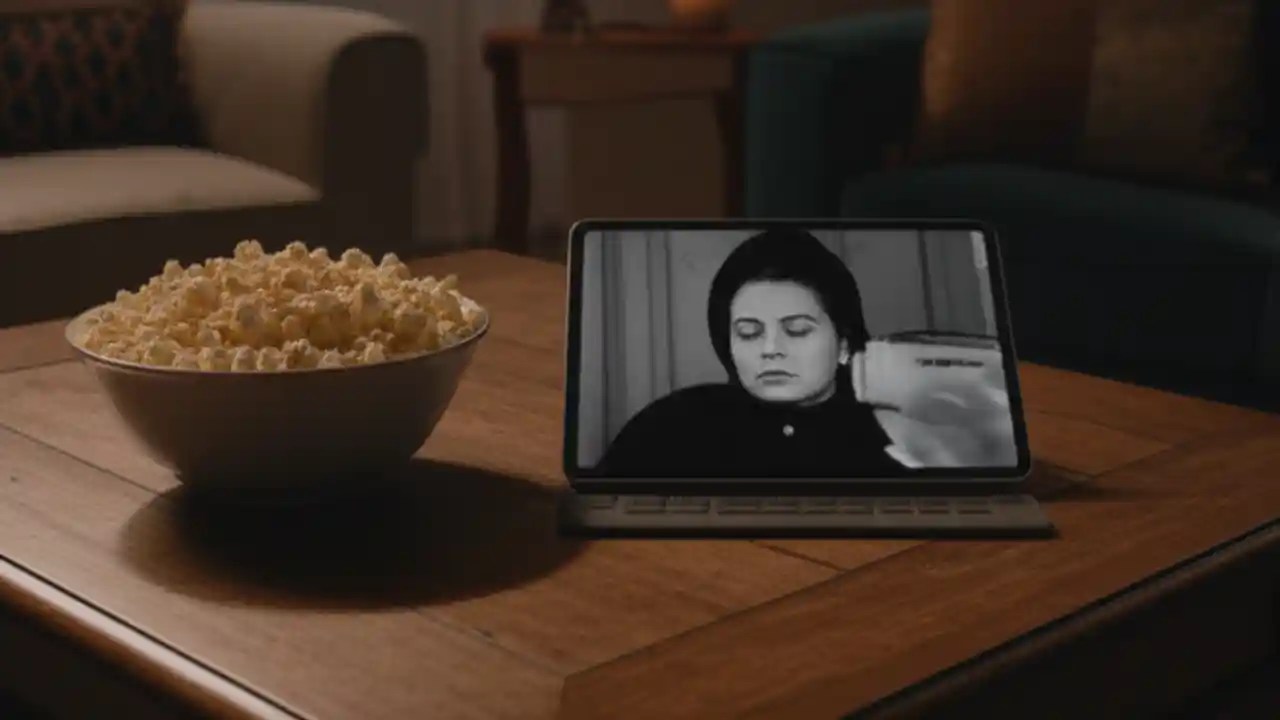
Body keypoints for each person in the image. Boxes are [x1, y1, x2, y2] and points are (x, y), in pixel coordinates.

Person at [597, 228, 907, 477]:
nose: (770, 349)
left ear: (843, 345)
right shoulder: (673, 423)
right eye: (749, 333)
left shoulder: (899, 433)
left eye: (797, 330)